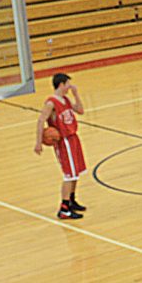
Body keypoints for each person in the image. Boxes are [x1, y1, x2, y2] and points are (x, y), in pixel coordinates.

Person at [33, 72, 87, 220]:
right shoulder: (51, 103)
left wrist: (76, 95)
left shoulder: (66, 99)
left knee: (76, 172)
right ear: (61, 84)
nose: (70, 87)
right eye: (68, 84)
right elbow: (40, 121)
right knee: (69, 175)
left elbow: (81, 111)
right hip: (64, 142)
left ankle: (71, 201)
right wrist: (38, 143)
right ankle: (64, 209)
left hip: (73, 138)